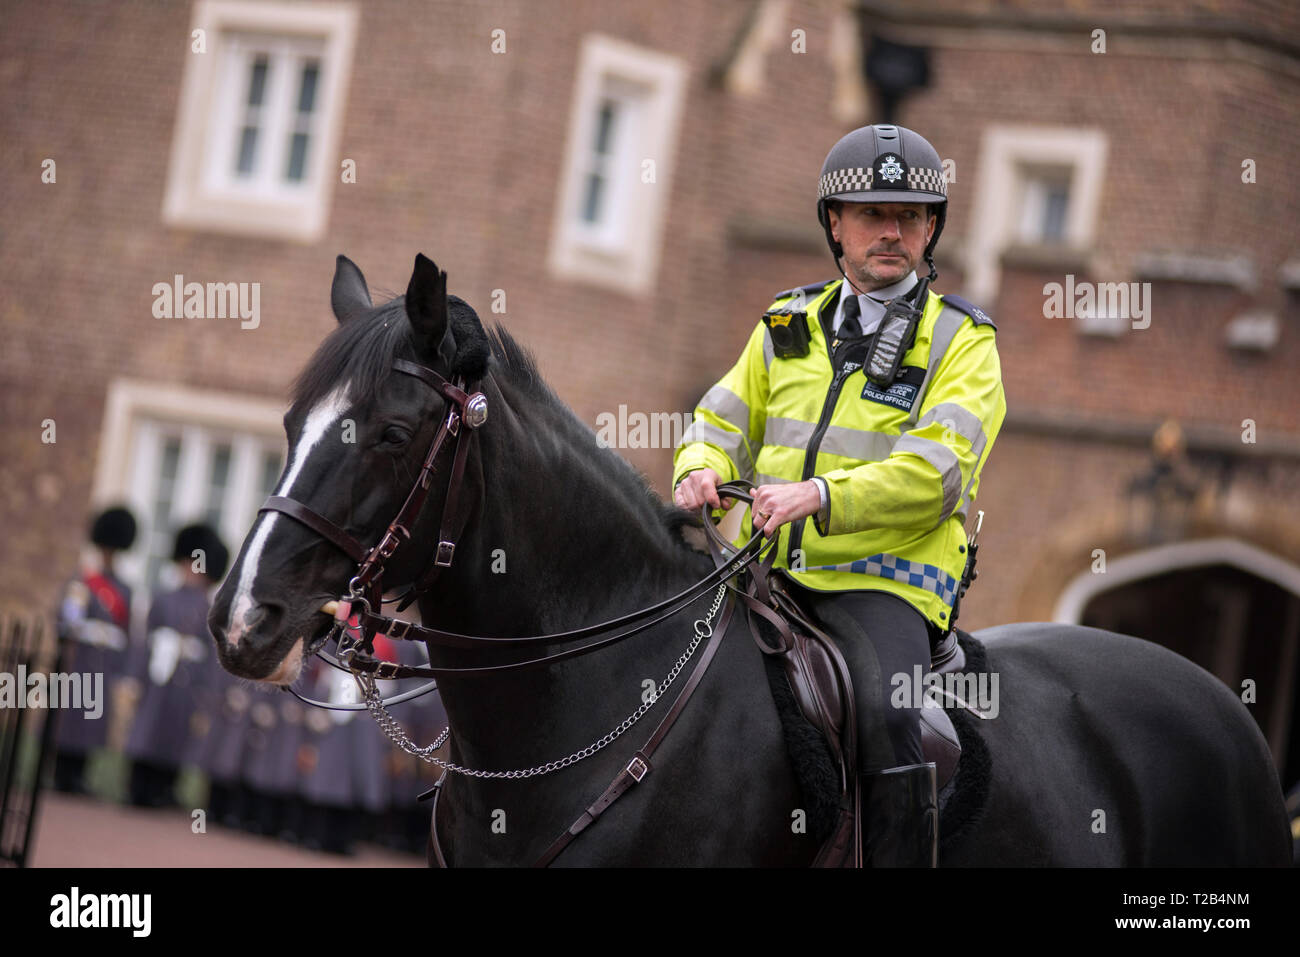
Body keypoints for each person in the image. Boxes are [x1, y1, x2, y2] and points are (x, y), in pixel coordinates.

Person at [673, 124, 1006, 866]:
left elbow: (939, 473)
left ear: (930, 230)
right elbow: (719, 419)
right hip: (766, 573)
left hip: (884, 584)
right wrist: (697, 470)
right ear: (834, 222)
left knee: (889, 710)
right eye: (871, 214)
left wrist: (820, 494)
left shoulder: (963, 344)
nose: (891, 231)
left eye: (910, 217)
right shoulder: (786, 322)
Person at [123, 523, 229, 808]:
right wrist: (135, 676)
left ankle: (164, 788)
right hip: (158, 675)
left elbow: (212, 654)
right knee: (147, 730)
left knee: (177, 737)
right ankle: (137, 786)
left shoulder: (211, 608)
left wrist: (208, 690)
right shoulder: (162, 597)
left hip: (188, 680)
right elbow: (144, 639)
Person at [52, 505, 138, 794]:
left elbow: (125, 632)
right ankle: (61, 772)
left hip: (104, 663)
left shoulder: (125, 589)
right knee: (71, 717)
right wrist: (90, 631)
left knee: (93, 721)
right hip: (82, 659)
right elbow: (68, 621)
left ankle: (80, 774)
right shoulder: (83, 582)